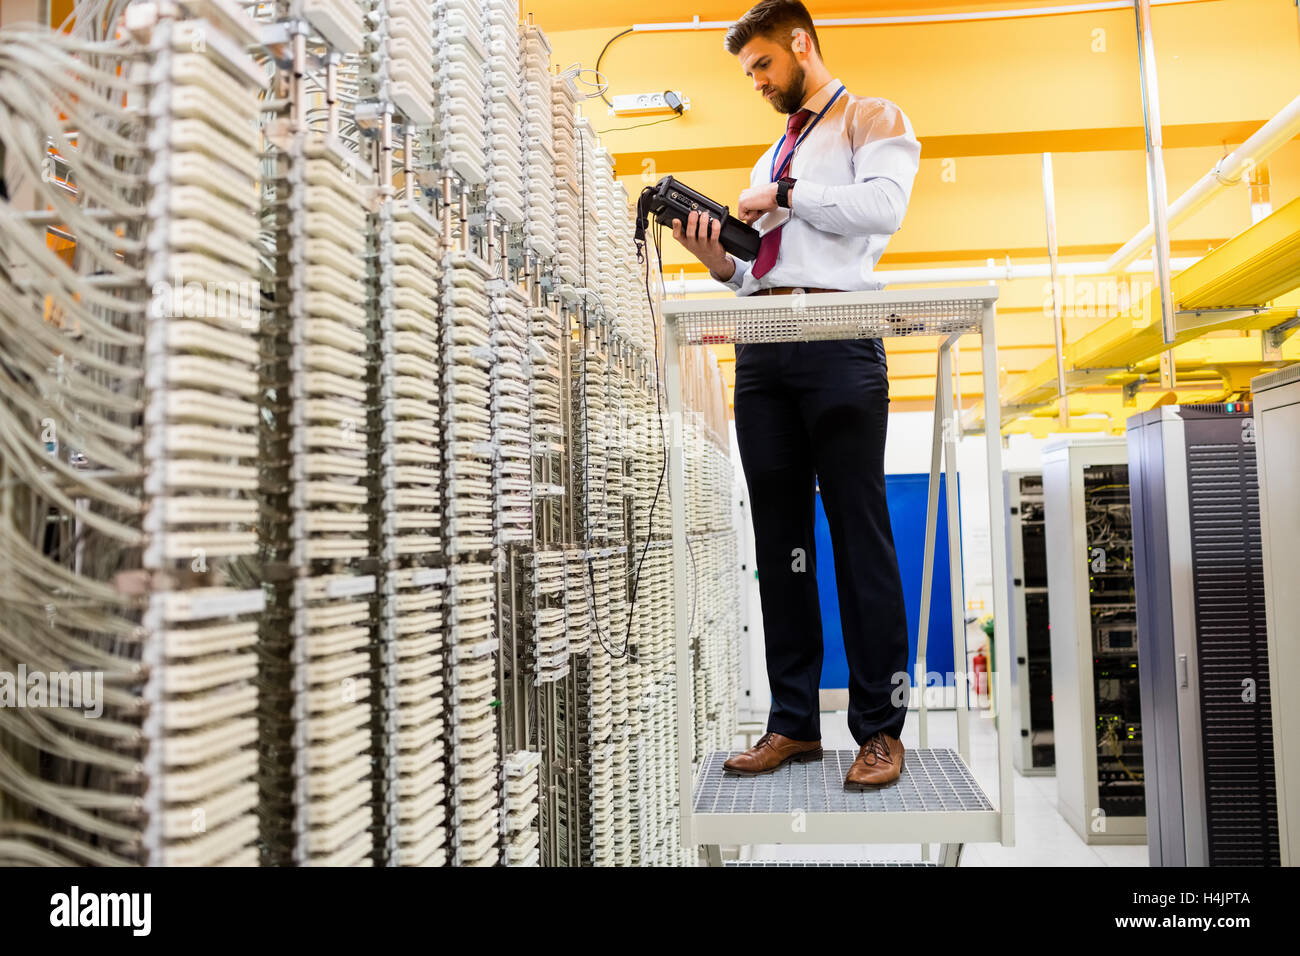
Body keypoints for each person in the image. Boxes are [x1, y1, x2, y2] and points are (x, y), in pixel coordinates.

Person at [671, 0, 921, 788]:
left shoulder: (872, 118)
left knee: (858, 533)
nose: (755, 82)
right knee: (782, 543)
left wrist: (786, 196)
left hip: (840, 340)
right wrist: (716, 258)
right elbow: (757, 270)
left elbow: (883, 208)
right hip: (765, 350)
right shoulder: (767, 157)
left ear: (801, 44)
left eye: (763, 66)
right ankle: (793, 725)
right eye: (748, 72)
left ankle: (880, 730)